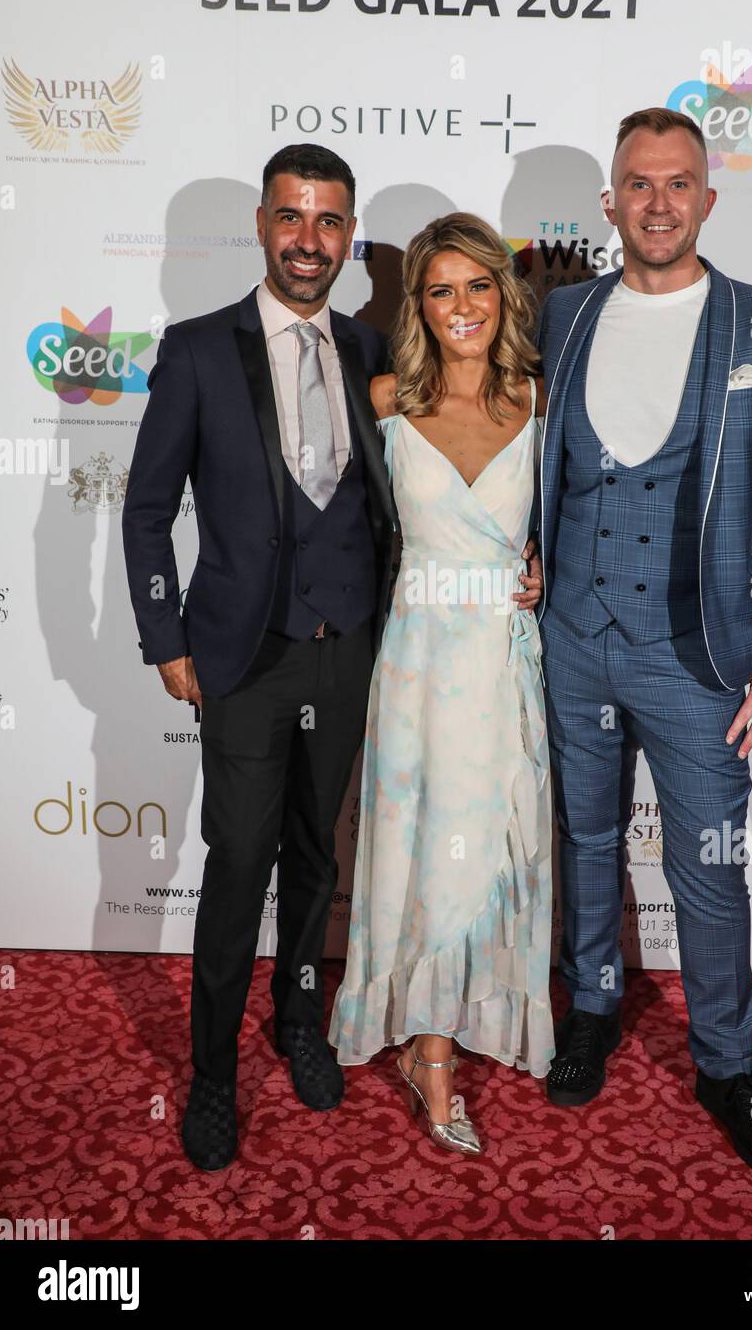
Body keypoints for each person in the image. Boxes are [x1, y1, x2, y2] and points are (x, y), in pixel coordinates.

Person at [535, 107, 752, 1186]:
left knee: (705, 866)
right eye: (636, 183)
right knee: (584, 837)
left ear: (706, 198)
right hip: (569, 633)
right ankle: (594, 1006)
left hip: (697, 651)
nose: (655, 202)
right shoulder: (561, 314)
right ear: (609, 201)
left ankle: (725, 1063)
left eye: (676, 183)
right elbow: (537, 466)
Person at [122, 144, 398, 1171]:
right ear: (260, 222)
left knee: (318, 860)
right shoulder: (197, 349)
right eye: (293, 217)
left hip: (346, 649)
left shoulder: (373, 352)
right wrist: (165, 639)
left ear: (348, 233)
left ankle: (298, 1024)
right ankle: (211, 1076)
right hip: (240, 657)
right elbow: (148, 511)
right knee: (240, 865)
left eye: (329, 222)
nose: (308, 241)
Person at [328, 212, 554, 1154]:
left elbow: (582, 513)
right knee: (421, 856)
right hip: (419, 664)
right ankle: (429, 1052)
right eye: (439, 289)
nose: (461, 306)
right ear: (417, 305)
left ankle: (477, 1019)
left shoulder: (540, 402)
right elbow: (339, 528)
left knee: (492, 851)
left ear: (503, 293)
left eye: (477, 285)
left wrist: (544, 570)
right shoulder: (382, 398)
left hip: (500, 660)